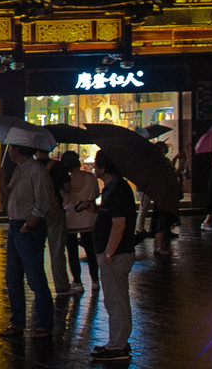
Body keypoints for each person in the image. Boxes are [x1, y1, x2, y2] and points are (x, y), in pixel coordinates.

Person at [0, 138, 55, 339]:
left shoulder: (36, 171)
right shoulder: (20, 170)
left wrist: (28, 224)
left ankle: (44, 324)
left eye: (11, 147)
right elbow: (8, 197)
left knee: (35, 276)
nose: (9, 151)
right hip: (15, 225)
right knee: (12, 276)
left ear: (18, 149)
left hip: (28, 228)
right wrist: (1, 180)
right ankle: (17, 322)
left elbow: (43, 203)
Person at [91, 150, 138, 362]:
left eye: (96, 164)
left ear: (102, 167)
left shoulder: (118, 190)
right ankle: (116, 341)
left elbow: (119, 225)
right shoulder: (113, 189)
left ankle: (118, 344)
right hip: (113, 253)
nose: (93, 166)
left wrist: (109, 253)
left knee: (116, 300)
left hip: (116, 255)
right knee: (115, 299)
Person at [60, 151, 100, 287]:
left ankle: (77, 281)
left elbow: (64, 198)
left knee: (72, 252)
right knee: (91, 250)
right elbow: (95, 193)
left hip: (70, 218)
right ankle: (95, 279)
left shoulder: (66, 180)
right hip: (89, 218)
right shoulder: (90, 177)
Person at [42, 150, 71, 296]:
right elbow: (68, 188)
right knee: (57, 249)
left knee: (35, 251)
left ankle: (38, 284)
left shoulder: (30, 167)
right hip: (54, 209)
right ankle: (61, 285)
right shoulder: (57, 167)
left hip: (35, 212)